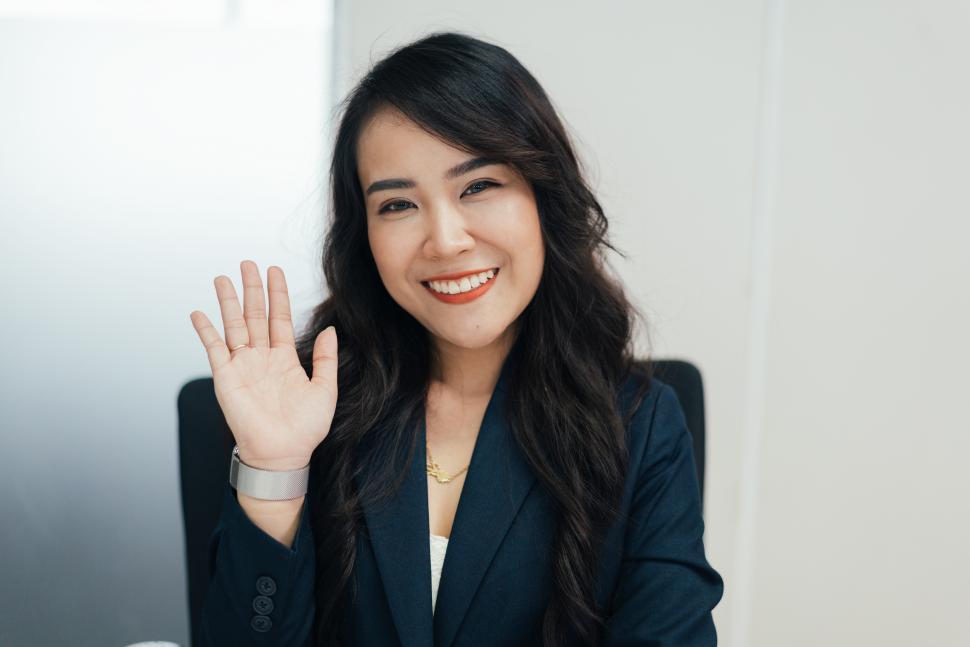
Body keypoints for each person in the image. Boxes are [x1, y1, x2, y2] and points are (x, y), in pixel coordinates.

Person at [189, 30, 723, 647]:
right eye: (397, 206)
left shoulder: (641, 423)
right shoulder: (311, 406)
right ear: (363, 236)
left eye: (478, 186)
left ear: (543, 199)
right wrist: (275, 470)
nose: (445, 240)